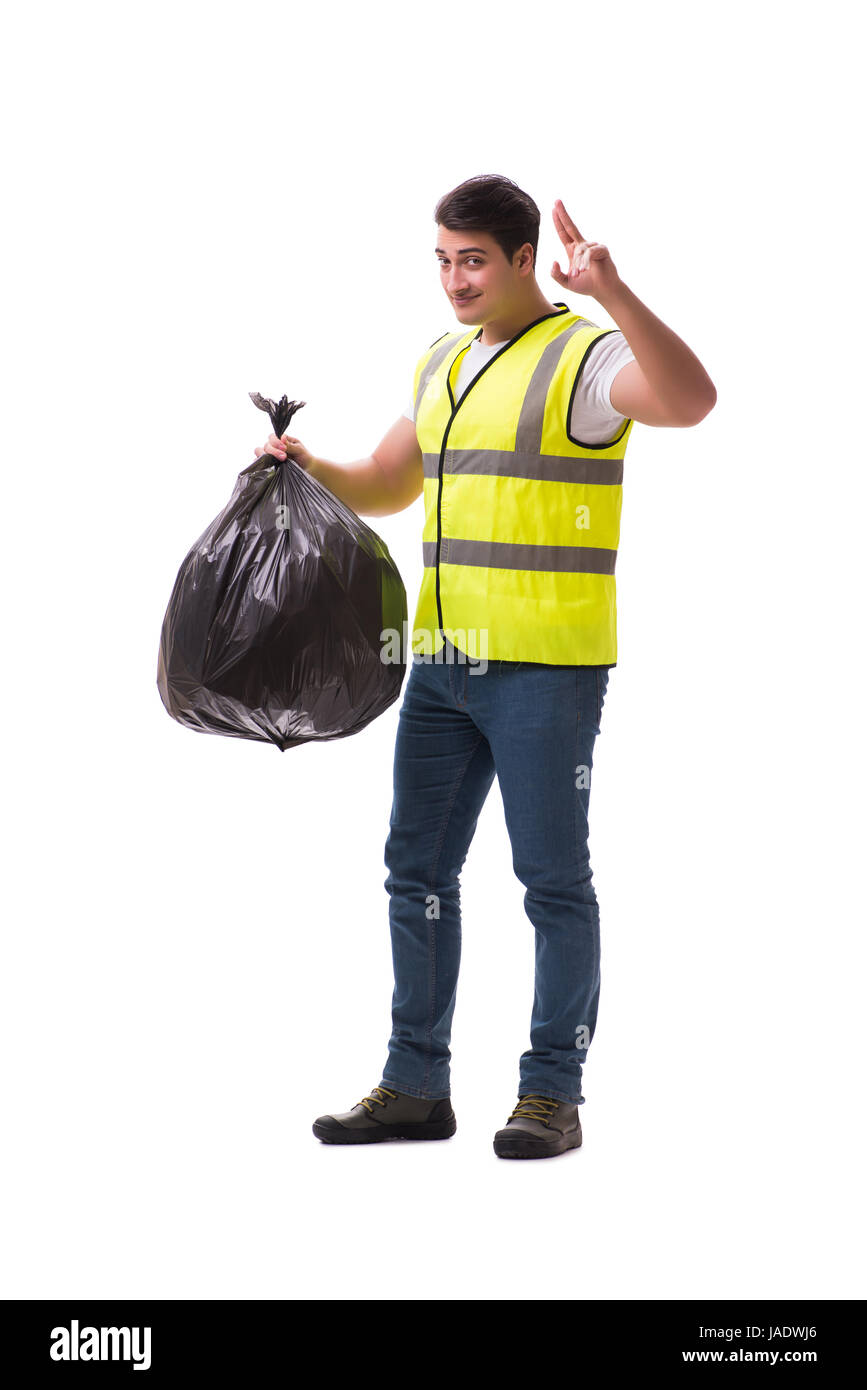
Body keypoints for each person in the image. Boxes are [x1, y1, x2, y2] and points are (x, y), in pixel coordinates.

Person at [255, 174, 717, 1160]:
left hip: (547, 664)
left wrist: (615, 293)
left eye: (473, 260)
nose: (455, 279)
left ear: (519, 261)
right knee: (414, 870)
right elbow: (387, 481)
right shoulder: (441, 363)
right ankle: (415, 1084)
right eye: (442, 260)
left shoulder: (586, 359)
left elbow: (691, 400)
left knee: (551, 881)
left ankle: (552, 1093)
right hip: (442, 659)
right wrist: (306, 466)